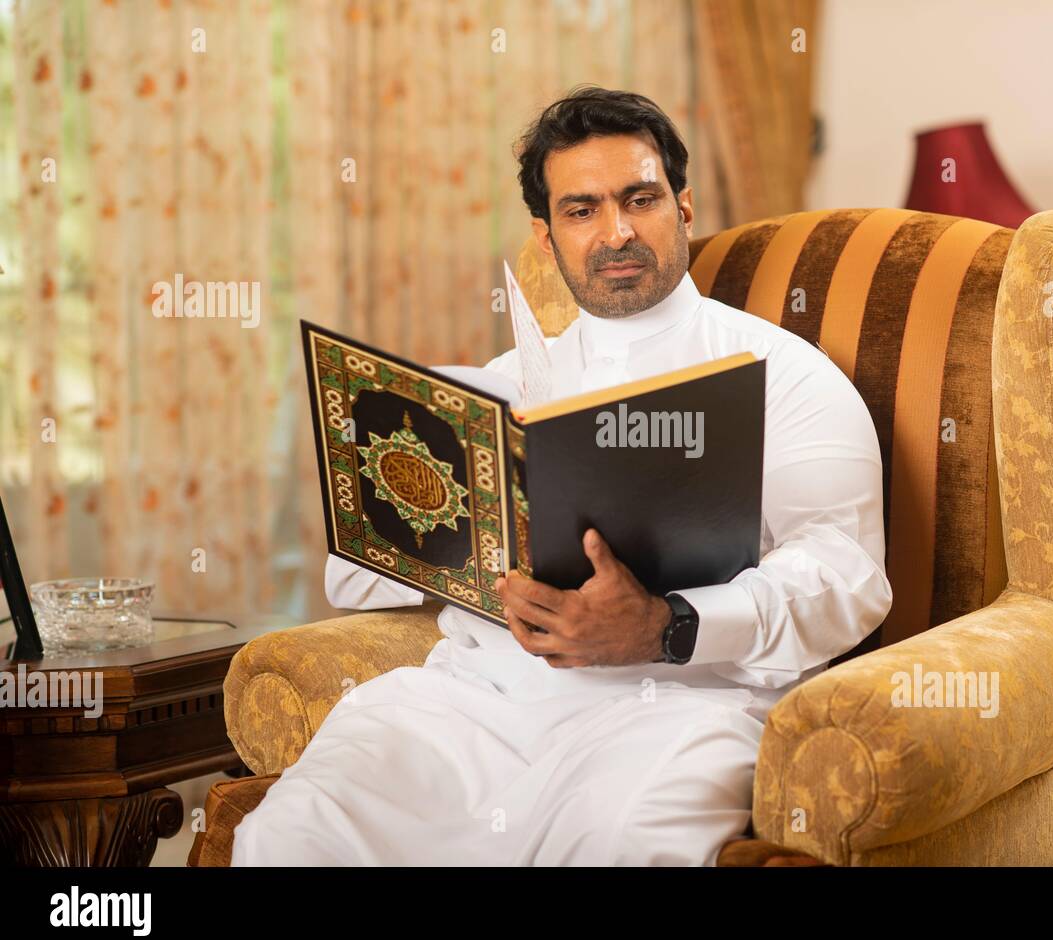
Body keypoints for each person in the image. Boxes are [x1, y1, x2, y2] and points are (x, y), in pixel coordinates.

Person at [231, 86, 891, 866]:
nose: (615, 232)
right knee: (291, 833)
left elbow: (848, 576)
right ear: (546, 240)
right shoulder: (497, 392)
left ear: (682, 208)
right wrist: (444, 532)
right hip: (474, 701)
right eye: (581, 211)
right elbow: (353, 579)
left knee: (622, 841)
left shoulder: (785, 375)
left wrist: (667, 624)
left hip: (677, 708)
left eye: (639, 199)